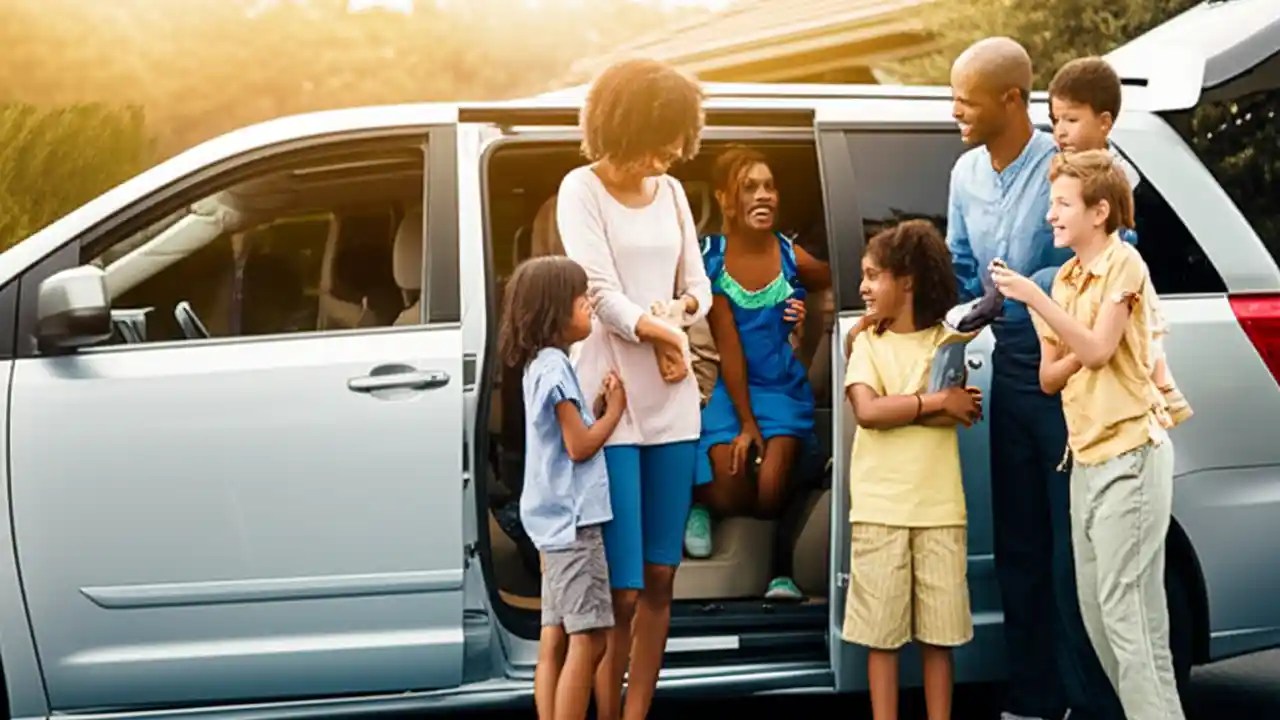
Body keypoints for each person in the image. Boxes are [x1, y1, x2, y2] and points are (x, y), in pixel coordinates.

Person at [992, 149, 1185, 720]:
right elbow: (1051, 377)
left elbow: (1099, 350)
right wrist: (1073, 329)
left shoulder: (1124, 264)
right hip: (1086, 460)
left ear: (1099, 212)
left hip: (1132, 456)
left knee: (1127, 615)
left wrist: (1042, 304)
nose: (1049, 215)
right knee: (1101, 615)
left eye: (1061, 204)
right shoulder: (1067, 281)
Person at [554, 58, 713, 720]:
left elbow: (699, 287)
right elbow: (599, 292)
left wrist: (678, 321)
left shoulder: (672, 193)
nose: (674, 151)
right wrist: (661, 334)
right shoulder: (579, 189)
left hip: (673, 404)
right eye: (663, 134)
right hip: (610, 399)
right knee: (618, 590)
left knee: (659, 577)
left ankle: (638, 709)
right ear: (624, 126)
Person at [947, 36, 1083, 720]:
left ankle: (1078, 696)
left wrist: (1032, 290)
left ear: (1010, 99)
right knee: (1020, 546)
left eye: (965, 101)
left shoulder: (1066, 166)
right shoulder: (965, 173)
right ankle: (1033, 697)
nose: (954, 113)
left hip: (1064, 376)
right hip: (1006, 373)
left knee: (1069, 552)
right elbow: (963, 272)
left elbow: (1106, 254)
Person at [842, 219, 983, 720]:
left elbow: (957, 410)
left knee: (939, 637)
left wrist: (933, 405)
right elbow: (869, 412)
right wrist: (933, 402)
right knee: (881, 637)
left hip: (940, 509)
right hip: (881, 510)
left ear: (907, 282)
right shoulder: (868, 344)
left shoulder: (947, 342)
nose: (862, 286)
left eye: (872, 275)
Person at [682, 146, 832, 600]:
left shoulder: (789, 253)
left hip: (783, 389)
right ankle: (701, 506)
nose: (763, 195)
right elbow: (729, 348)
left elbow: (842, 276)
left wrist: (812, 308)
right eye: (750, 187)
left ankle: (780, 571)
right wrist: (747, 424)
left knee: (769, 487)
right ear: (727, 199)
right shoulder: (710, 258)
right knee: (729, 484)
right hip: (729, 388)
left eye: (769, 186)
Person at [498, 256, 625, 720]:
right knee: (588, 641)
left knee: (553, 637)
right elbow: (579, 446)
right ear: (555, 312)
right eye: (580, 299)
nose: (589, 305)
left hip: (550, 523)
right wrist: (614, 412)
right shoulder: (555, 368)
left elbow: (563, 431)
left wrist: (592, 408)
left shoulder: (540, 366)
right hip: (575, 525)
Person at [1048, 56, 1192, 427]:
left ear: (1105, 122)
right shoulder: (1066, 176)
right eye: (1055, 120)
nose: (1060, 131)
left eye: (1071, 120)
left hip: (1120, 309)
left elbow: (1125, 250)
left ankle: (1163, 385)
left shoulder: (1122, 178)